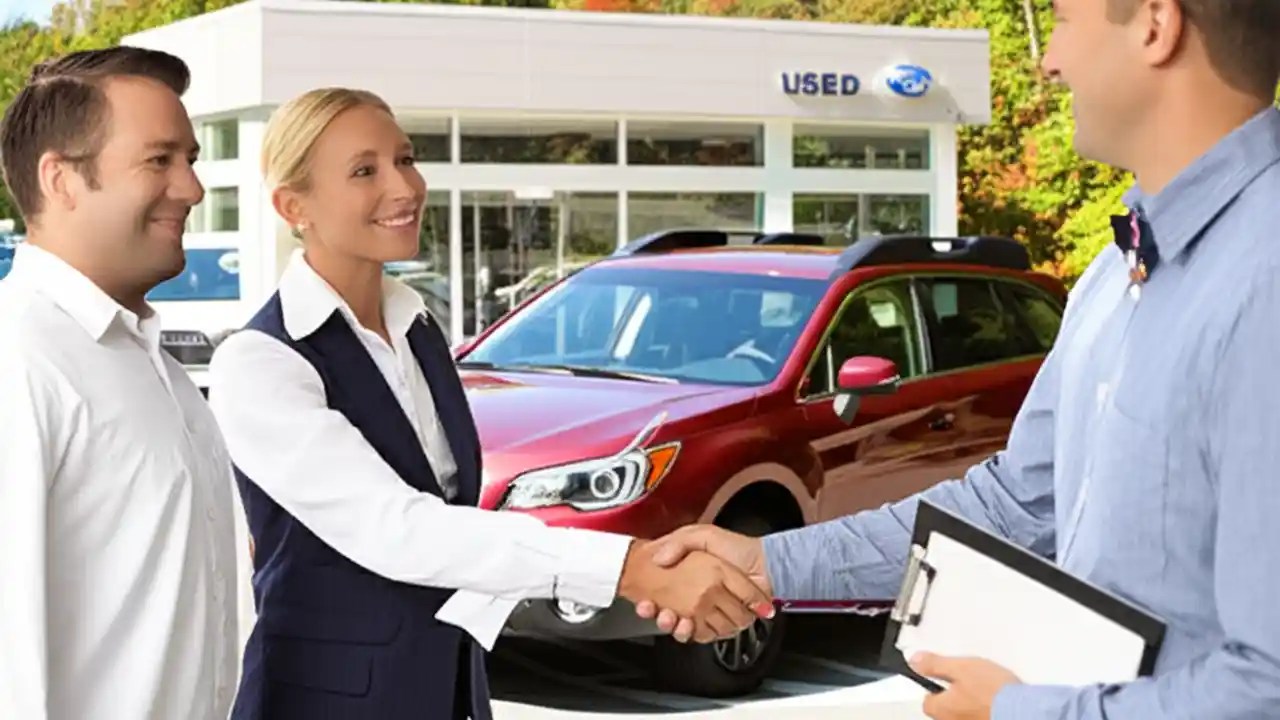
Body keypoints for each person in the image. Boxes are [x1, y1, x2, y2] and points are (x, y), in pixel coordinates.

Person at [639, 1, 1280, 718]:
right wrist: (765, 563)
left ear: (1156, 25)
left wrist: (1023, 712)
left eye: (1065, 21)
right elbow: (1015, 505)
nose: (1049, 60)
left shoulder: (1266, 279)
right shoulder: (1113, 275)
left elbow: (1270, 680)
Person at [205, 87, 773, 720]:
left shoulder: (418, 330)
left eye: (407, 159)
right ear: (293, 206)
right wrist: (629, 567)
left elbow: (452, 522)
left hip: (448, 690)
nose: (404, 186)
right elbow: (395, 529)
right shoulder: (262, 363)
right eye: (365, 170)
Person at [0, 48, 239, 719]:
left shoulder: (154, 364)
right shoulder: (17, 362)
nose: (191, 188)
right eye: (159, 160)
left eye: (190, 159)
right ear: (62, 179)